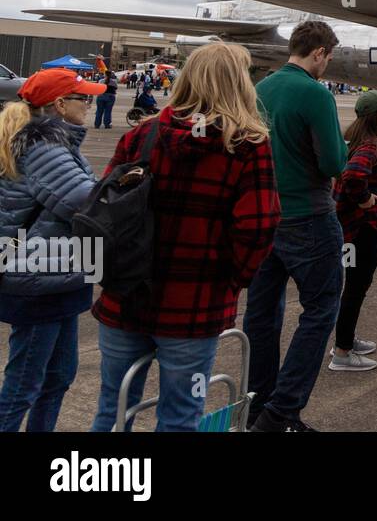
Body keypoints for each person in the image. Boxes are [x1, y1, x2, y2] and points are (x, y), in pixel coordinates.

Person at [90, 43, 280, 430]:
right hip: (194, 306)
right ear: (239, 84)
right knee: (181, 416)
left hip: (124, 296)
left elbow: (101, 208)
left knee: (113, 408)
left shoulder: (141, 135)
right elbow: (259, 226)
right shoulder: (248, 147)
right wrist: (231, 282)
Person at [244, 21, 350, 432]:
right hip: (309, 217)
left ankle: (257, 404)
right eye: (330, 57)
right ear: (320, 52)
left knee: (261, 313)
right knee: (321, 310)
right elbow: (333, 164)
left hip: (264, 216)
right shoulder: (315, 93)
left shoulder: (261, 90)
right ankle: (282, 411)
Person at [0, 69, 103, 431]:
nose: (90, 104)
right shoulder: (43, 147)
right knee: (24, 384)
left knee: (57, 378)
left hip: (58, 275)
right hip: (39, 278)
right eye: (83, 98)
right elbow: (85, 203)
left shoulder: (55, 143)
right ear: (60, 105)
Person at [329, 91, 377, 373]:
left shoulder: (353, 138)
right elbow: (354, 176)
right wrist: (365, 199)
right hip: (364, 228)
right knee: (357, 287)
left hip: (349, 227)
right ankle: (342, 352)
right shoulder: (370, 145)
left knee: (352, 286)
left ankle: (344, 338)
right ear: (375, 114)